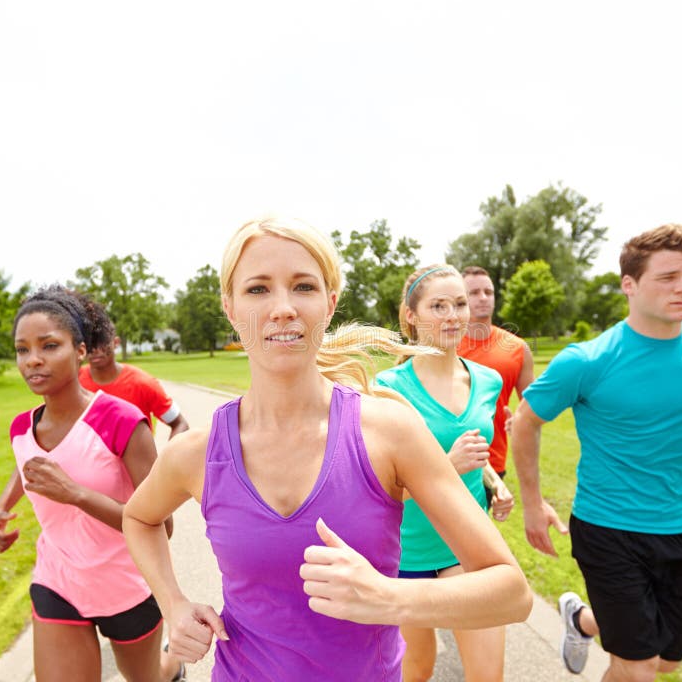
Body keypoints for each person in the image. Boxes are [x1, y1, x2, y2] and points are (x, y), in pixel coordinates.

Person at [121, 218, 532, 682]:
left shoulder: (388, 432)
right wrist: (172, 603)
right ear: (230, 307)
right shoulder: (196, 452)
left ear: (330, 303)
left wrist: (387, 598)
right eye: (258, 289)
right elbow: (138, 518)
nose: (282, 308)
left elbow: (511, 592)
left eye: (303, 286)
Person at [508, 224, 682, 681]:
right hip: (607, 529)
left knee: (666, 661)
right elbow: (527, 421)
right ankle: (601, 626)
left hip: (681, 529)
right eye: (668, 277)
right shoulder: (587, 360)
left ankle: (582, 620)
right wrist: (533, 504)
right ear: (629, 285)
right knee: (637, 669)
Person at [0, 286, 184, 682]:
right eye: (22, 349)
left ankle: (172, 665)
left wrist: (76, 495)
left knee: (149, 678)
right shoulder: (20, 429)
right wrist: (1, 507)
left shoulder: (121, 420)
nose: (33, 360)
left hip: (128, 585)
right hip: (58, 582)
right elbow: (28, 466)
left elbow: (163, 527)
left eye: (49, 345)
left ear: (80, 351)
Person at [375, 264, 516, 682]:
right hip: (406, 552)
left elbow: (473, 447)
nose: (454, 315)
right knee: (416, 669)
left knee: (487, 675)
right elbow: (377, 485)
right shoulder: (387, 388)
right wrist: (446, 467)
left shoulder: (488, 381)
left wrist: (493, 481)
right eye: (439, 306)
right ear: (411, 316)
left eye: (459, 303)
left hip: (467, 542)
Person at [458, 265, 534, 483]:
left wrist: (520, 420)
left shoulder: (518, 348)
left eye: (488, 292)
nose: (483, 298)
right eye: (473, 293)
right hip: (448, 458)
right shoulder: (444, 345)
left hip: (493, 459)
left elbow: (532, 407)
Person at [78, 305, 189, 438]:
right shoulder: (74, 381)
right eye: (91, 344)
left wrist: (167, 457)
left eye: (102, 342)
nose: (95, 350)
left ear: (116, 342)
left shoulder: (143, 383)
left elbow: (180, 423)